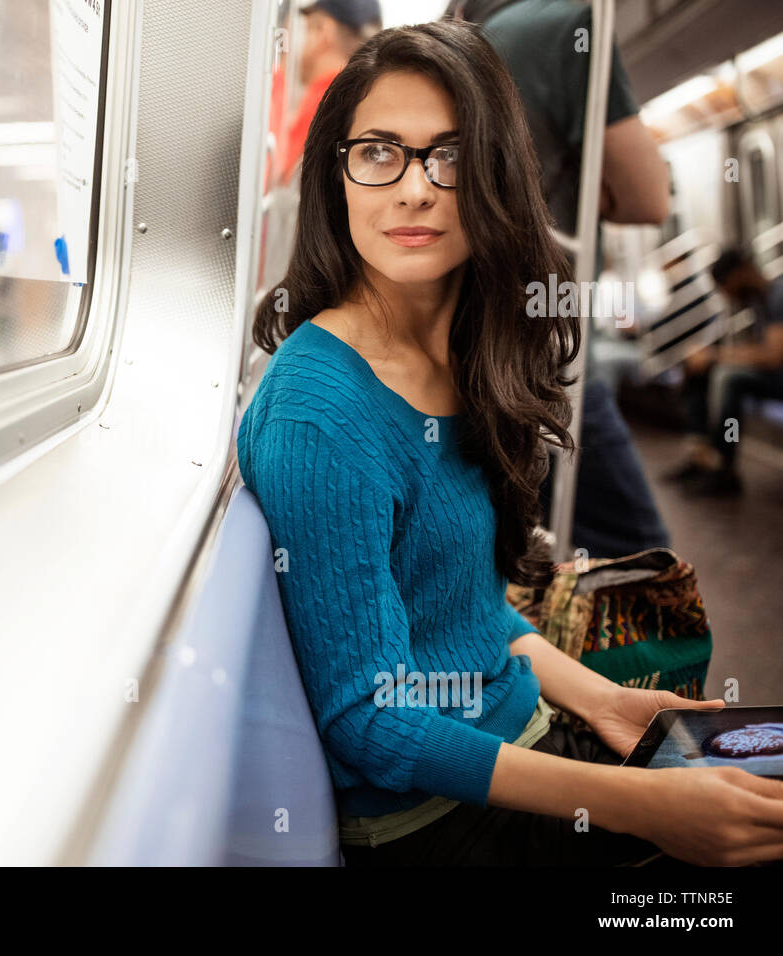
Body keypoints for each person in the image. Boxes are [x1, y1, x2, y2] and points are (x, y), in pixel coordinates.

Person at [237, 21, 783, 865]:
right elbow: (371, 718)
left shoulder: (458, 349)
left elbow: (452, 600)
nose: (415, 188)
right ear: (334, 173)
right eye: (378, 151)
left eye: (449, 156)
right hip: (441, 817)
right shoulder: (320, 412)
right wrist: (643, 806)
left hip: (528, 739)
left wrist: (601, 701)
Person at [447, 0, 673, 558]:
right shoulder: (573, 24)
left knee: (516, 550)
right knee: (642, 564)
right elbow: (648, 198)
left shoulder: (456, 40)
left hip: (464, 341)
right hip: (550, 346)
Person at [661, 248, 783, 497]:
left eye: (726, 284)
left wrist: (715, 357)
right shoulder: (760, 301)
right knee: (700, 374)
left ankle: (725, 464)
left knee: (728, 379)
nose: (726, 293)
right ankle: (700, 457)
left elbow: (773, 357)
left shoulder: (778, 296)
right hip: (773, 377)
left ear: (742, 273)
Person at [275, 0, 381, 187]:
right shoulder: (362, 97)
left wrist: (277, 77)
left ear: (322, 32)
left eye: (305, 28)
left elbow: (275, 175)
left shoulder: (326, 100)